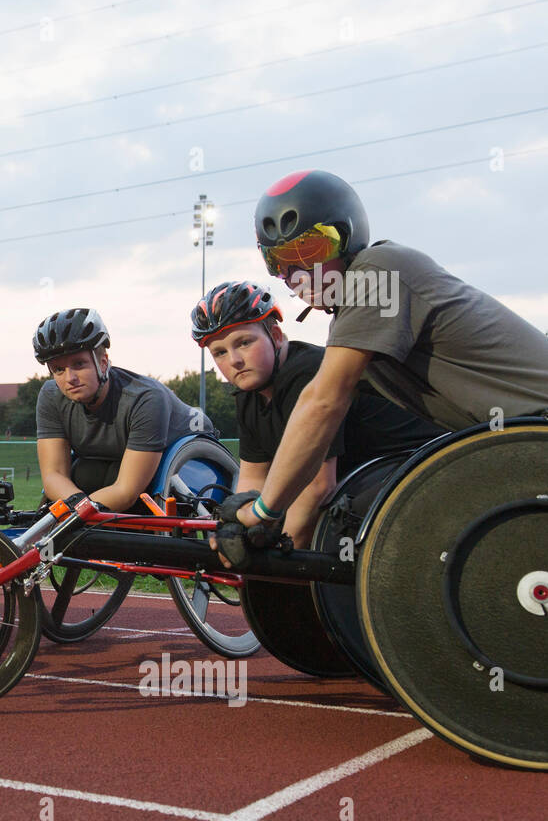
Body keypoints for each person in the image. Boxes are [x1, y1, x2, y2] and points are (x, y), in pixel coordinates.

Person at [214, 169, 548, 565]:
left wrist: (263, 512)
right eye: (282, 260)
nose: (299, 273)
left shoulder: (379, 271)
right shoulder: (353, 312)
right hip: (514, 442)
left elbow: (323, 403)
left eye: (310, 250)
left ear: (348, 235)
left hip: (531, 435)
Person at [191, 279, 443, 547]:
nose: (234, 360)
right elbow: (255, 479)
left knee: (322, 527)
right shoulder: (247, 395)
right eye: (219, 352)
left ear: (276, 337)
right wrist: (238, 529)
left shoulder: (307, 373)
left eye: (244, 342)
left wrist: (276, 556)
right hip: (363, 477)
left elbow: (318, 486)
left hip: (422, 466)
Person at [34, 307, 213, 511]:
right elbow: (53, 476)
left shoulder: (146, 399)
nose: (70, 378)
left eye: (79, 364)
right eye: (58, 369)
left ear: (102, 363)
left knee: (117, 479)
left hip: (188, 455)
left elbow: (126, 491)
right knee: (84, 473)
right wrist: (77, 505)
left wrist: (82, 515)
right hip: (111, 458)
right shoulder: (51, 395)